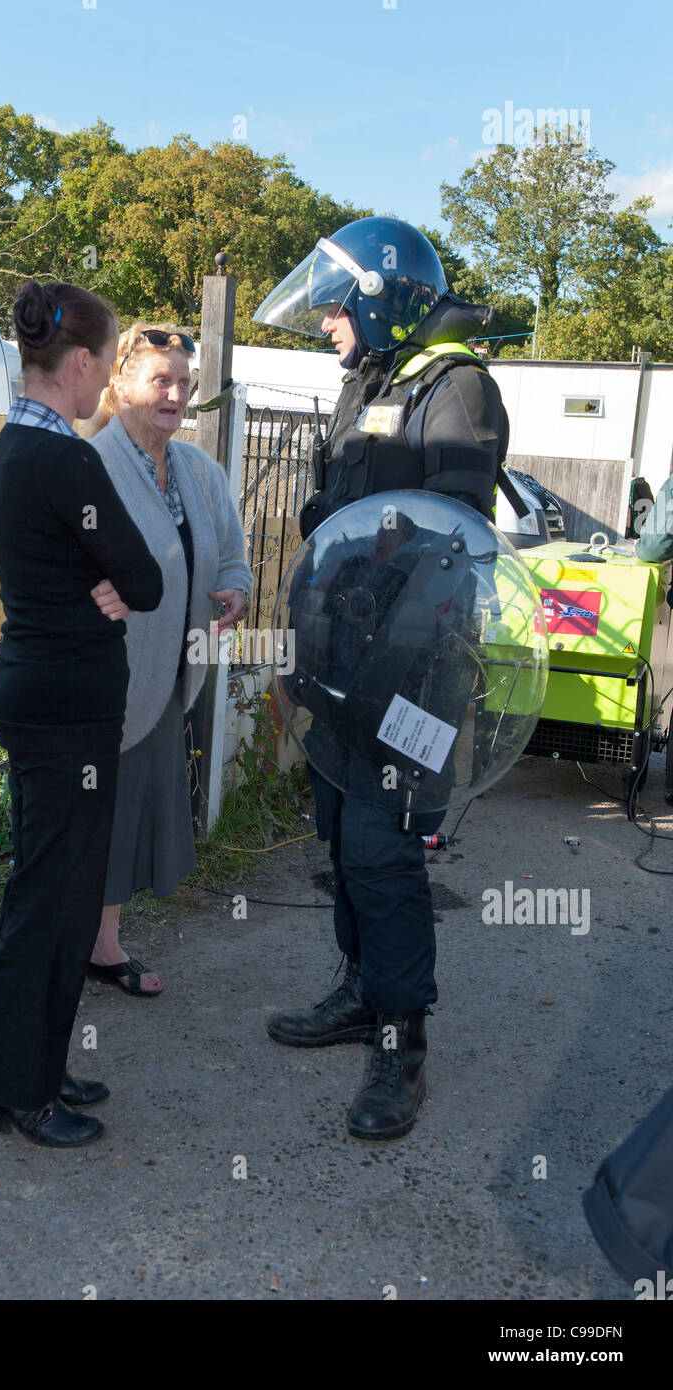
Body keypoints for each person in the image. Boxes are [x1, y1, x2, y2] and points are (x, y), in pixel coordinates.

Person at [253, 217, 510, 1140]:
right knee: (339, 835)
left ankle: (401, 1047)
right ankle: (362, 995)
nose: (325, 322)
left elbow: (451, 543)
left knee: (385, 852)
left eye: (335, 306)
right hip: (341, 662)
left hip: (413, 676)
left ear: (381, 294)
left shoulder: (457, 390)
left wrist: (381, 671)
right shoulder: (373, 385)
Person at [0, 282, 163, 1147]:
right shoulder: (69, 461)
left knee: (49, 892)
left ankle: (28, 1065)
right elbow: (147, 582)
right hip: (67, 712)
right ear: (79, 364)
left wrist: (104, 580)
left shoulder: (8, 450)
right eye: (108, 364)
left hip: (35, 697)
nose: (105, 383)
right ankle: (20, 1089)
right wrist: (110, 582)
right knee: (57, 901)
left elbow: (116, 576)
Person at [79, 325, 252, 995]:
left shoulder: (201, 473)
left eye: (185, 383)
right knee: (92, 818)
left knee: (130, 815)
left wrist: (235, 591)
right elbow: (62, 564)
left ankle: (104, 945)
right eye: (162, 380)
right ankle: (66, 948)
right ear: (121, 384)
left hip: (173, 677)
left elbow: (233, 556)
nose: (176, 394)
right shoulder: (92, 465)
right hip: (105, 680)